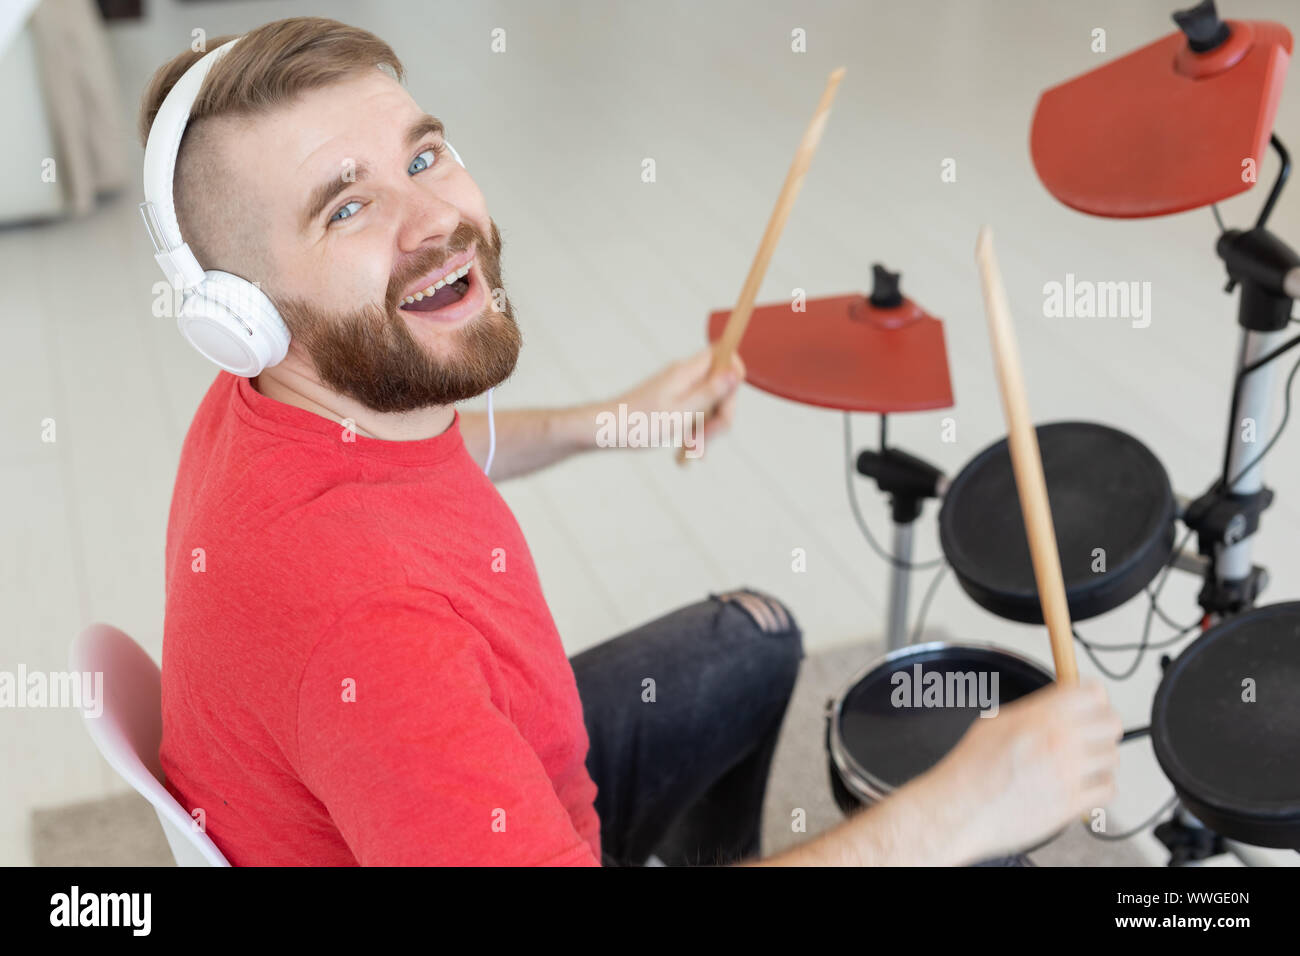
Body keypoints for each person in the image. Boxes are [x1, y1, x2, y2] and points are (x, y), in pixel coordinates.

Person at [146, 17, 1120, 866]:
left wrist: (610, 421)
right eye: (346, 207)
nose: (437, 219)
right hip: (461, 804)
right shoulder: (367, 629)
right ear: (242, 313)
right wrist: (946, 817)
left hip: (489, 784)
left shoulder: (273, 398)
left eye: (423, 154)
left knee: (755, 631)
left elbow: (423, 462)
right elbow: (376, 620)